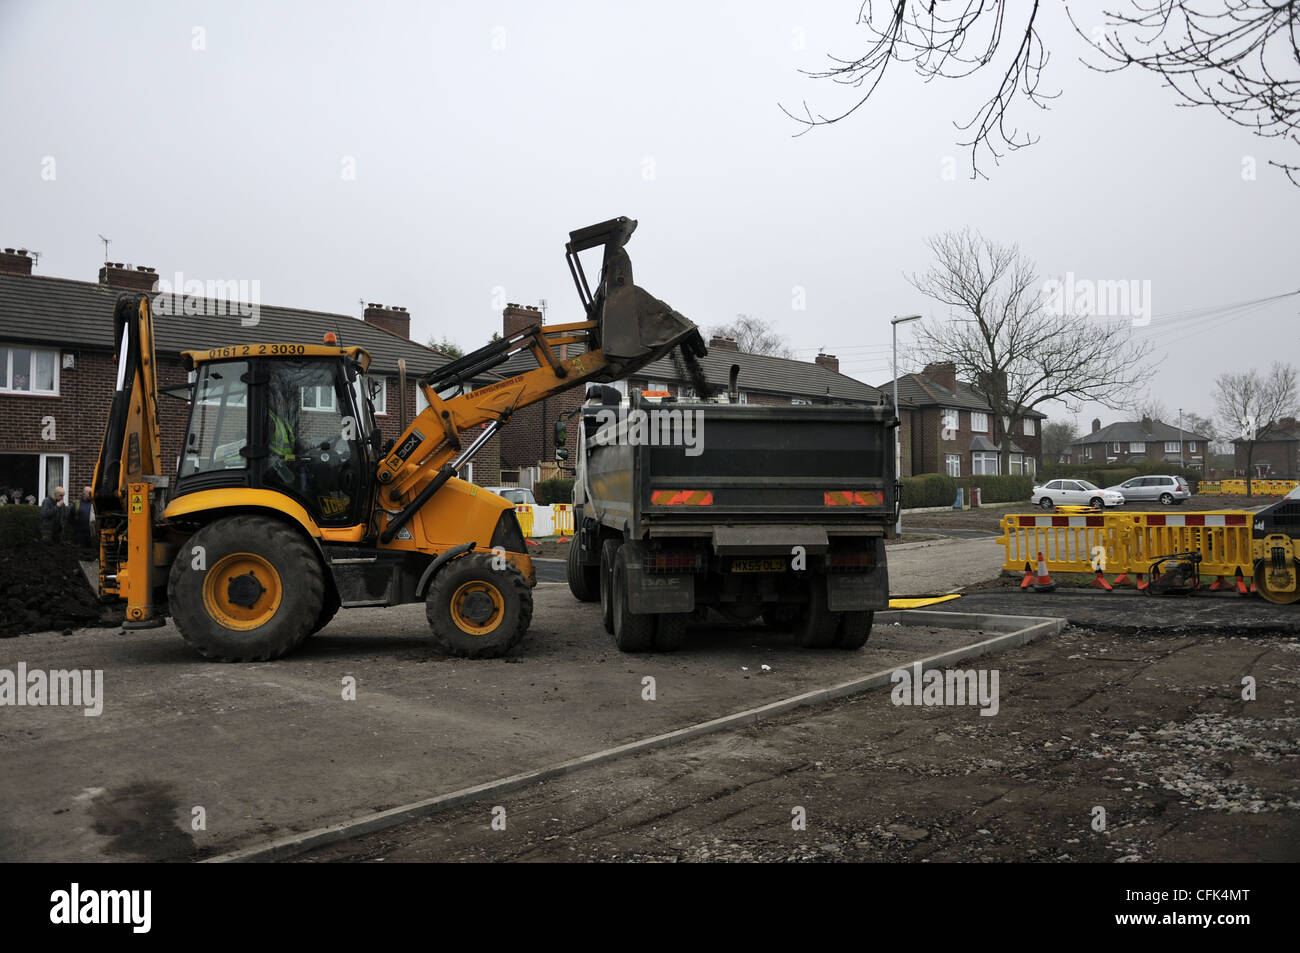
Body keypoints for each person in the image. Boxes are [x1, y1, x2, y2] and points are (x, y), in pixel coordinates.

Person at [71, 486, 96, 552]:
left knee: (91, 552)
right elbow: (70, 518)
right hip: (79, 534)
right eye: (89, 493)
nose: (91, 494)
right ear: (84, 493)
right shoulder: (76, 504)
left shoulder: (94, 504)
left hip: (91, 535)